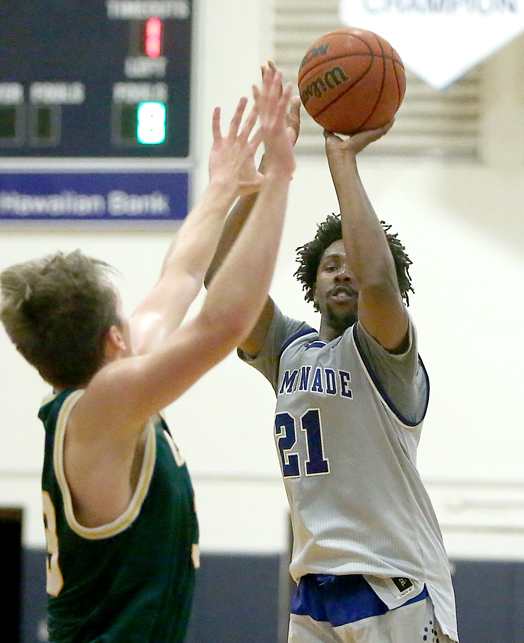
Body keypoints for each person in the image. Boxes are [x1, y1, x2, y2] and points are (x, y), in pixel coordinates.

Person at [0, 67, 296, 643]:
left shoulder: (103, 400)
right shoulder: (105, 404)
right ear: (114, 339)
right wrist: (281, 176)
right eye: (123, 318)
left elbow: (181, 277)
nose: (137, 320)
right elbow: (225, 322)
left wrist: (224, 186)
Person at [207, 79, 458, 642]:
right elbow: (221, 283)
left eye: (352, 261)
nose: (344, 271)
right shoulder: (287, 350)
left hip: (395, 583)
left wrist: (340, 157)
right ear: (312, 286)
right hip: (314, 593)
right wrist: (270, 174)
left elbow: (375, 278)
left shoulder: (388, 352)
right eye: (329, 265)